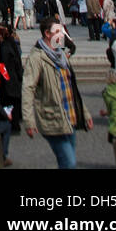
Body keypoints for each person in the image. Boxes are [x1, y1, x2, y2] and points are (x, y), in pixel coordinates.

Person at [22, 17, 93, 169]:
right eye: (58, 32)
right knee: (70, 162)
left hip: (70, 116)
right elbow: (28, 89)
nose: (62, 35)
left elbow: (72, 87)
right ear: (47, 34)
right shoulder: (36, 58)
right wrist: (28, 120)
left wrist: (85, 113)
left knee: (67, 161)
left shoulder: (61, 56)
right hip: (52, 117)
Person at [0, 24, 24, 132]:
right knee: (15, 102)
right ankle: (15, 123)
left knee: (8, 102)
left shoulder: (4, 47)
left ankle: (11, 124)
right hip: (15, 77)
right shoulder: (12, 44)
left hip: (8, 78)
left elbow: (3, 64)